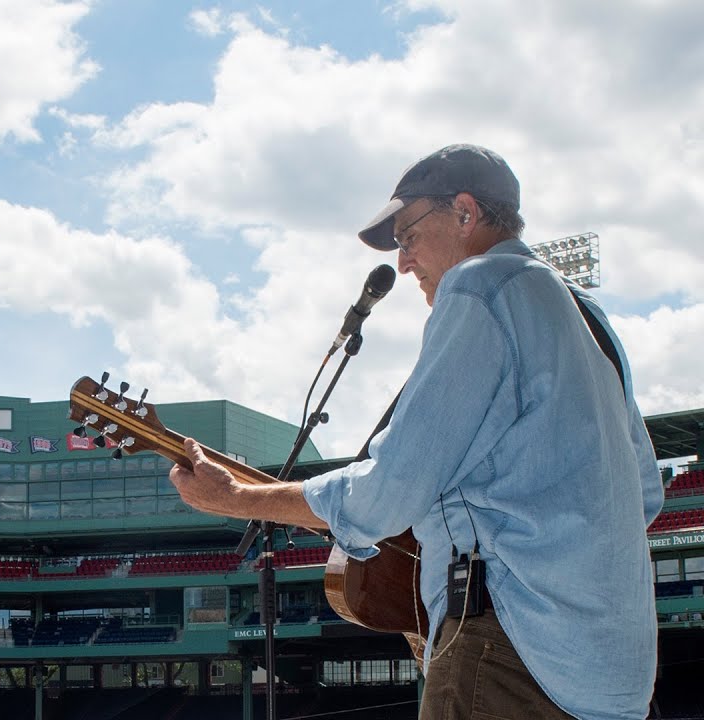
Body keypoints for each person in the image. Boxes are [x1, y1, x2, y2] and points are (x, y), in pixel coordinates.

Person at [170, 144, 663, 720]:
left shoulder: (479, 287)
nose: (403, 264)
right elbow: (644, 494)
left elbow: (391, 489)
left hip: (513, 654)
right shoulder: (587, 315)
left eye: (408, 237)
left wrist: (235, 498)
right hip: (617, 674)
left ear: (464, 213)